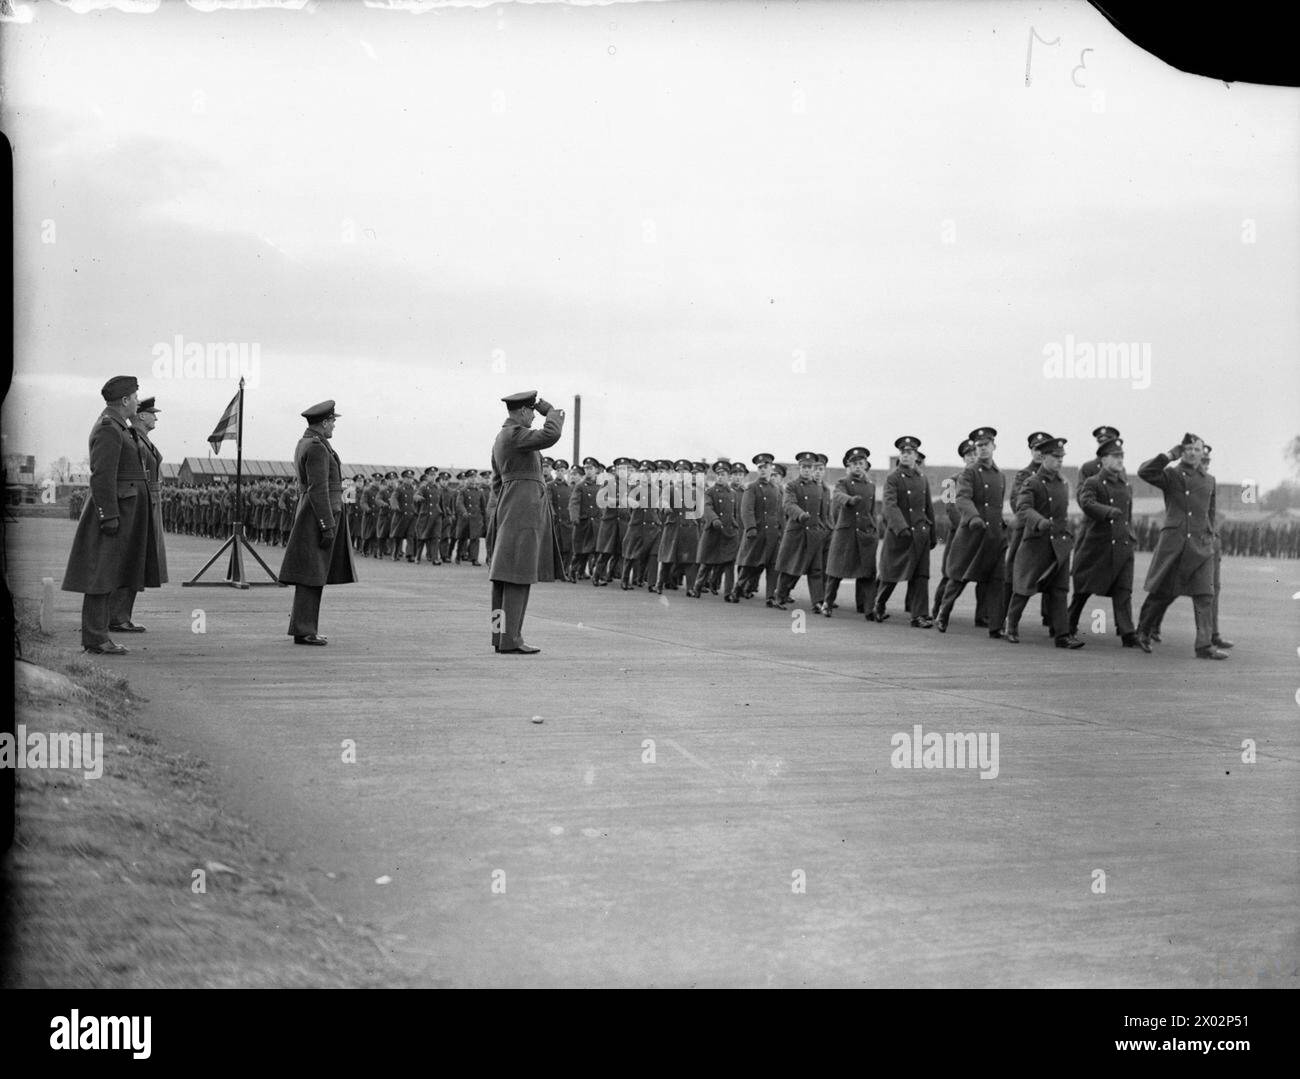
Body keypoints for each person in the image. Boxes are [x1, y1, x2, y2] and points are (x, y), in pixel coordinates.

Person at [62, 375, 159, 654]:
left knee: (109, 572)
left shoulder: (118, 426)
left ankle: (100, 635)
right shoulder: (109, 428)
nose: (138, 402)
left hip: (124, 510)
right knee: (101, 574)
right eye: (136, 397)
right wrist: (108, 515)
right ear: (126, 400)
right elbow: (102, 477)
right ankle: (95, 638)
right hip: (115, 511)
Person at [487, 390, 566, 654]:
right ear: (522, 412)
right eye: (532, 411)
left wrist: (511, 501)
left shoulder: (502, 437)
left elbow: (497, 481)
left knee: (505, 577)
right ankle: (512, 640)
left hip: (512, 508)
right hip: (522, 512)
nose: (534, 415)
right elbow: (551, 435)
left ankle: (502, 638)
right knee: (518, 576)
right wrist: (551, 411)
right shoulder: (516, 433)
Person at [1136, 435, 1224, 658]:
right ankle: (1143, 630)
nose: (1193, 453)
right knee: (1163, 592)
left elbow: (1210, 513)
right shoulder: (1172, 475)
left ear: (1203, 452)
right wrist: (1168, 455)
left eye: (1197, 449)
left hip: (1201, 546)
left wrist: (1210, 536)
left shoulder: (1209, 480)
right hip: (1176, 545)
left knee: (1205, 595)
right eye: (1188, 449)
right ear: (1182, 451)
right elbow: (1145, 472)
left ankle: (1204, 646)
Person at [278, 400, 357, 645]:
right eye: (332, 421)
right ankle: (304, 630)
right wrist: (326, 523)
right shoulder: (317, 448)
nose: (334, 425)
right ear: (324, 422)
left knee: (312, 573)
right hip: (317, 515)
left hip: (312, 513)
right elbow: (318, 489)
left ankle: (305, 628)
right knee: (311, 575)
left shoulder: (308, 443)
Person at [1004, 437, 1084, 648]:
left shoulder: (1062, 483)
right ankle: (1010, 625)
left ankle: (1062, 635)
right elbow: (1022, 508)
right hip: (1036, 543)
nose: (1060, 461)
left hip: (1058, 544)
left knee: (1059, 591)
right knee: (1024, 588)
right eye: (1055, 457)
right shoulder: (1032, 482)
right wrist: (1039, 521)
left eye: (1061, 458)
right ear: (1045, 458)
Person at [1068, 436, 1143, 650]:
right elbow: (1086, 502)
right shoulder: (1093, 482)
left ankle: (1128, 633)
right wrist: (1107, 511)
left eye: (1122, 456)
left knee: (1123, 590)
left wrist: (1130, 535)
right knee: (1083, 590)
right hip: (1097, 546)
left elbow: (1127, 515)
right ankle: (1067, 625)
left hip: (1121, 545)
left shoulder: (1125, 485)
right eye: (1115, 456)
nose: (1120, 460)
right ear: (1103, 459)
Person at [936, 427, 1007, 637]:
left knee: (996, 581)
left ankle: (995, 626)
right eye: (979, 446)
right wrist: (973, 517)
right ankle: (943, 613)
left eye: (986, 445)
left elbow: (997, 506)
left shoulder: (1000, 475)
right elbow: (962, 498)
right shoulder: (968, 473)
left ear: (994, 446)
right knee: (958, 577)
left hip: (994, 537)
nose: (982, 449)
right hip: (972, 534)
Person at [108, 396, 168, 634]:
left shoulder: (142, 439)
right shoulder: (135, 440)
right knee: (131, 559)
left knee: (138, 560)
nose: (156, 417)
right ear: (141, 416)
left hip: (149, 502)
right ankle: (117, 617)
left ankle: (122, 616)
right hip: (140, 504)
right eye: (153, 413)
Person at [873, 437, 936, 626]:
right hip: (900, 535)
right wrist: (901, 527)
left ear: (916, 456)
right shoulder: (893, 478)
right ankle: (878, 604)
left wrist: (932, 535)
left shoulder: (922, 478)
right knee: (890, 574)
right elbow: (889, 505)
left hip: (920, 534)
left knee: (920, 576)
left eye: (910, 453)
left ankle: (919, 615)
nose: (906, 456)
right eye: (903, 452)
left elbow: (928, 507)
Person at [823, 447, 879, 618]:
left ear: (865, 465)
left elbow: (872, 510)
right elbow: (838, 494)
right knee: (836, 571)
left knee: (867, 573)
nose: (857, 467)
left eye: (861, 463)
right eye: (854, 463)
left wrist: (874, 529)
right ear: (849, 465)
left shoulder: (871, 486)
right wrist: (849, 500)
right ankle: (827, 603)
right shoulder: (843, 483)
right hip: (846, 534)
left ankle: (868, 608)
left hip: (865, 534)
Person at [772, 451, 830, 612]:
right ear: (799, 468)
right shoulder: (792, 486)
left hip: (815, 534)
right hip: (796, 533)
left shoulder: (819, 488)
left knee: (816, 570)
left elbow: (823, 513)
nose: (806, 470)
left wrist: (825, 529)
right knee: (791, 568)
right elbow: (789, 505)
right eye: (803, 467)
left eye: (809, 467)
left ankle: (817, 602)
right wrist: (801, 515)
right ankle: (780, 596)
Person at [731, 452, 783, 605]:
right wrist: (751, 528)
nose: (763, 470)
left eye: (766, 467)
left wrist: (782, 530)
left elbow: (779, 512)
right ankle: (737, 589)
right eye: (760, 467)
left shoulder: (777, 488)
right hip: (757, 533)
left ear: (770, 468)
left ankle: (770, 597)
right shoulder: (752, 488)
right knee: (750, 564)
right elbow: (746, 510)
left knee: (773, 567)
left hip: (773, 534)